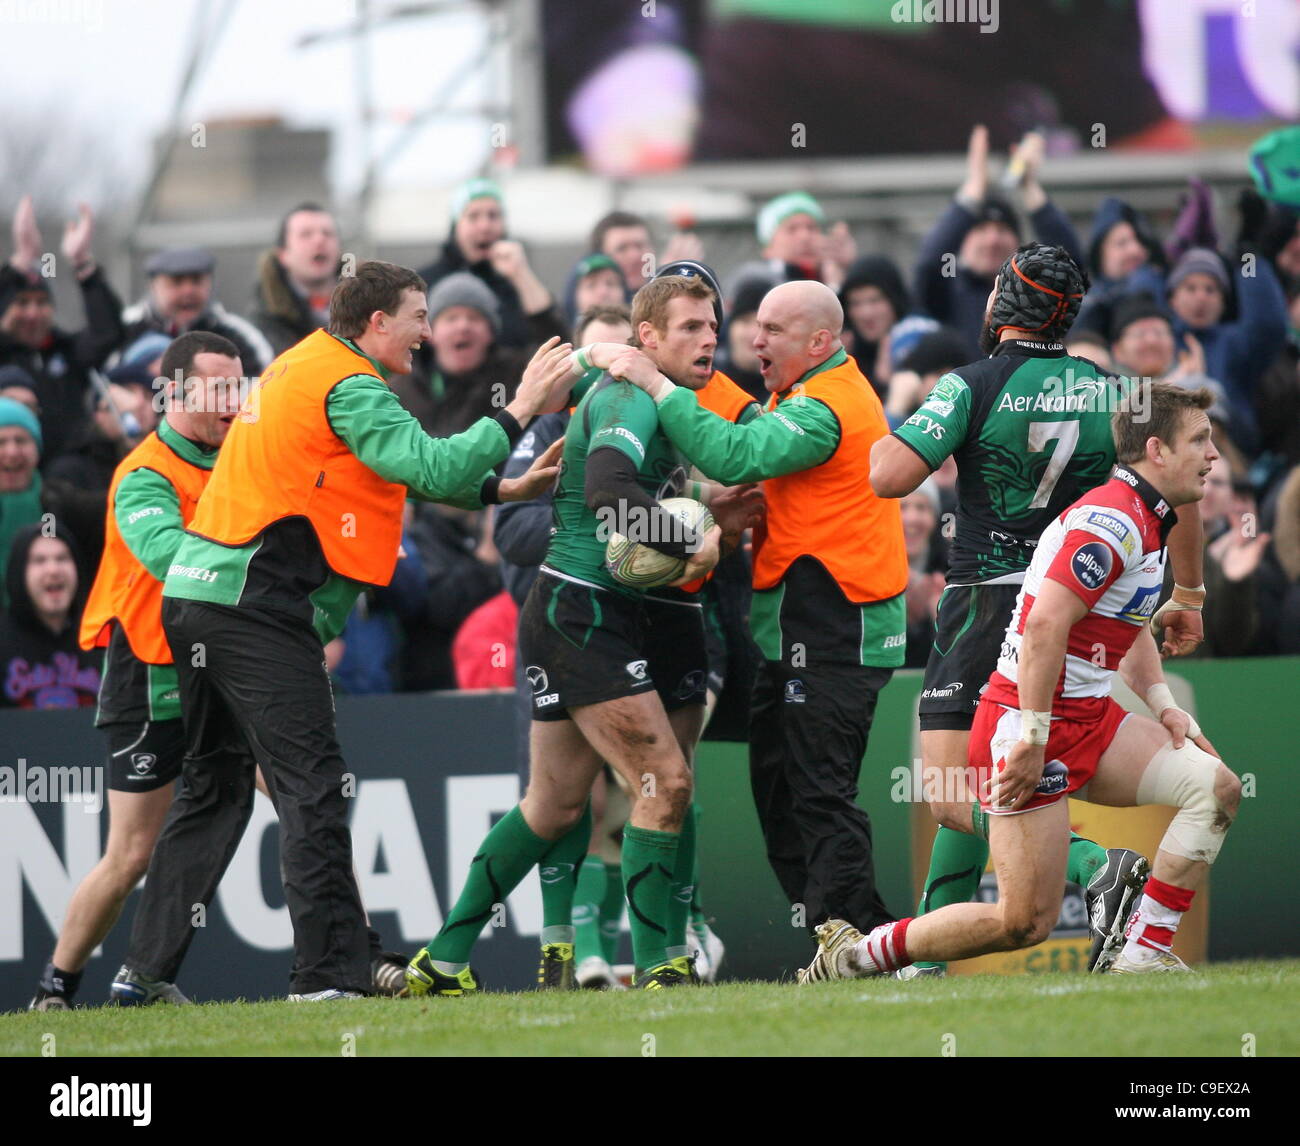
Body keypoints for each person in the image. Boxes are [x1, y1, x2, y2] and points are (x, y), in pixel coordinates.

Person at [111, 261, 572, 1003]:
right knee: (313, 788)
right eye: (419, 315)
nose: (426, 331)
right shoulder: (351, 383)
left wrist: (503, 486)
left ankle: (141, 977)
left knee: (214, 791)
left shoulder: (306, 367)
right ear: (376, 322)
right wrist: (517, 409)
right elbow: (430, 463)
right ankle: (326, 978)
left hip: (199, 598)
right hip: (252, 604)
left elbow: (398, 474)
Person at [800, 385, 1242, 980]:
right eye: (1200, 440)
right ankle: (856, 956)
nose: (1214, 455)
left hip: (1090, 722)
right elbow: (1041, 628)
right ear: (1157, 450)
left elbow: (1128, 626)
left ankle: (1139, 957)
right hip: (1021, 727)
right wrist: (1033, 739)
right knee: (1021, 923)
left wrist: (1163, 705)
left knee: (1216, 788)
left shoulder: (1148, 517)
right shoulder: (1111, 520)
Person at [869, 242, 1208, 977]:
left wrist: (904, 413)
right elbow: (1185, 481)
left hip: (986, 604)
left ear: (999, 304)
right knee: (1006, 778)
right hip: (1081, 608)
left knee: (955, 795)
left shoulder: (969, 383)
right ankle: (925, 962)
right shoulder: (1115, 392)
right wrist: (1188, 595)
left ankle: (1093, 867)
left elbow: (887, 477)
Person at [405, 273, 736, 995]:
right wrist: (692, 546)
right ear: (646, 339)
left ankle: (442, 960)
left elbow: (660, 492)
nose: (708, 337)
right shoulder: (623, 396)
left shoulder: (675, 402)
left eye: (712, 325)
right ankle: (660, 967)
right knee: (665, 782)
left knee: (554, 805)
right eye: (689, 327)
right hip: (583, 613)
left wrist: (711, 504)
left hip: (627, 613)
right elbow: (610, 496)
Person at [612, 278, 909, 946]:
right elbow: (750, 446)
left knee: (818, 792)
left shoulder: (828, 405)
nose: (753, 339)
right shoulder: (795, 395)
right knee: (779, 792)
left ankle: (862, 941)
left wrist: (660, 390)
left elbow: (737, 452)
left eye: (772, 330)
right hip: (798, 628)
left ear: (820, 341)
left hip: (839, 624)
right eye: (754, 325)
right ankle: (849, 936)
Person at [27, 332, 239, 1010]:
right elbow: (172, 559)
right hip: (152, 677)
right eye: (218, 390)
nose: (234, 404)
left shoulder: (240, 460)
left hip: (226, 671)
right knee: (130, 855)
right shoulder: (142, 473)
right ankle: (56, 988)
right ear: (173, 395)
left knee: (308, 797)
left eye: (241, 389)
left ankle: (359, 955)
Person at [913, 126, 1082, 348]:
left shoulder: (1033, 295)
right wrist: (975, 185)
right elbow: (929, 264)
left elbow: (1071, 269)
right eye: (981, 230)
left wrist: (1029, 187)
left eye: (1002, 230)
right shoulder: (949, 293)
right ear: (962, 242)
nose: (993, 240)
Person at [0, 197, 123, 465]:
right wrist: (20, 262)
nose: (32, 313)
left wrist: (83, 266)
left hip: (66, 479)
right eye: (21, 303)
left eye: (41, 303)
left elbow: (107, 333)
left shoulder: (67, 352)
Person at [392, 272, 567, 440]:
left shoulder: (513, 374)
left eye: (474, 318)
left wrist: (518, 272)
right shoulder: (402, 388)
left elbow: (557, 351)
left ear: (491, 333)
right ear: (430, 333)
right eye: (451, 318)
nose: (463, 326)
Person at [418, 179, 557, 348]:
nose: (485, 226)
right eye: (473, 216)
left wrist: (521, 274)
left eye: (493, 216)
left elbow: (553, 335)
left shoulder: (515, 281)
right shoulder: (426, 282)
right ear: (456, 225)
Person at [121, 247, 272, 375]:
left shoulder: (238, 334)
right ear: (154, 286)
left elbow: (262, 385)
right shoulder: (126, 327)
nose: (188, 291)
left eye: (197, 281)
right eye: (176, 282)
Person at [0, 524, 100, 710]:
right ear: (18, 572)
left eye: (62, 558)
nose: (53, 570)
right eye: (39, 560)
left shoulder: (101, 639)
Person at [247, 202, 342, 357]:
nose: (319, 240)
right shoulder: (263, 324)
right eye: (306, 234)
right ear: (283, 255)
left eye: (328, 233)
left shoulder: (368, 308)